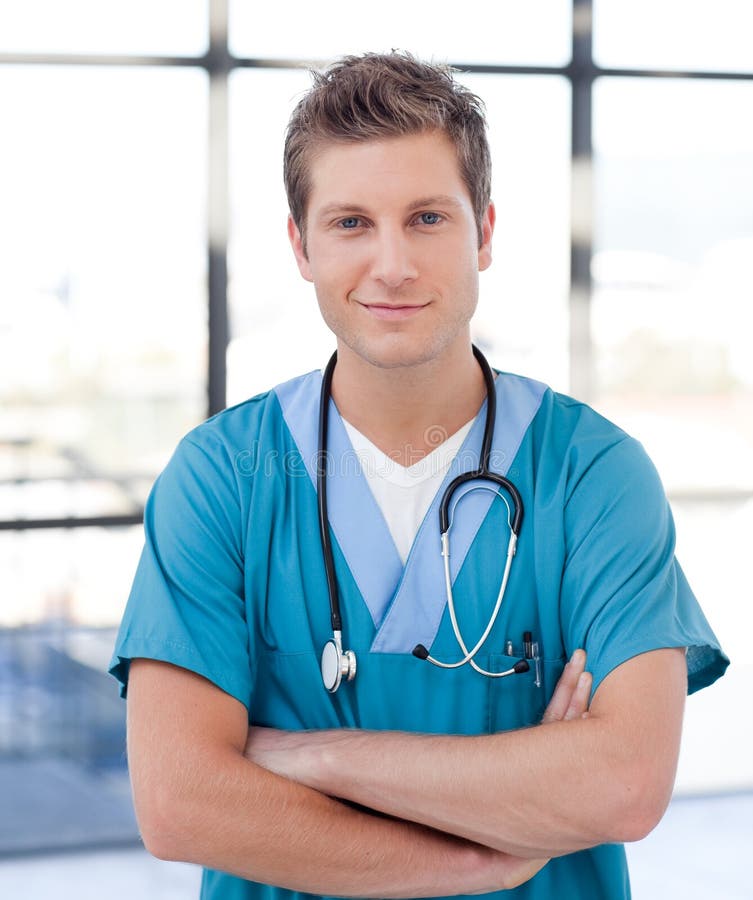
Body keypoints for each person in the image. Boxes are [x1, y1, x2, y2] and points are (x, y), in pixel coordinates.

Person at [110, 52, 728, 900]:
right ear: (301, 245)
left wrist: (305, 754)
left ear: (484, 232)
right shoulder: (223, 476)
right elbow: (182, 804)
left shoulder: (591, 473)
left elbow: (623, 784)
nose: (392, 264)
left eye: (427, 218)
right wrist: (479, 860)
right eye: (351, 223)